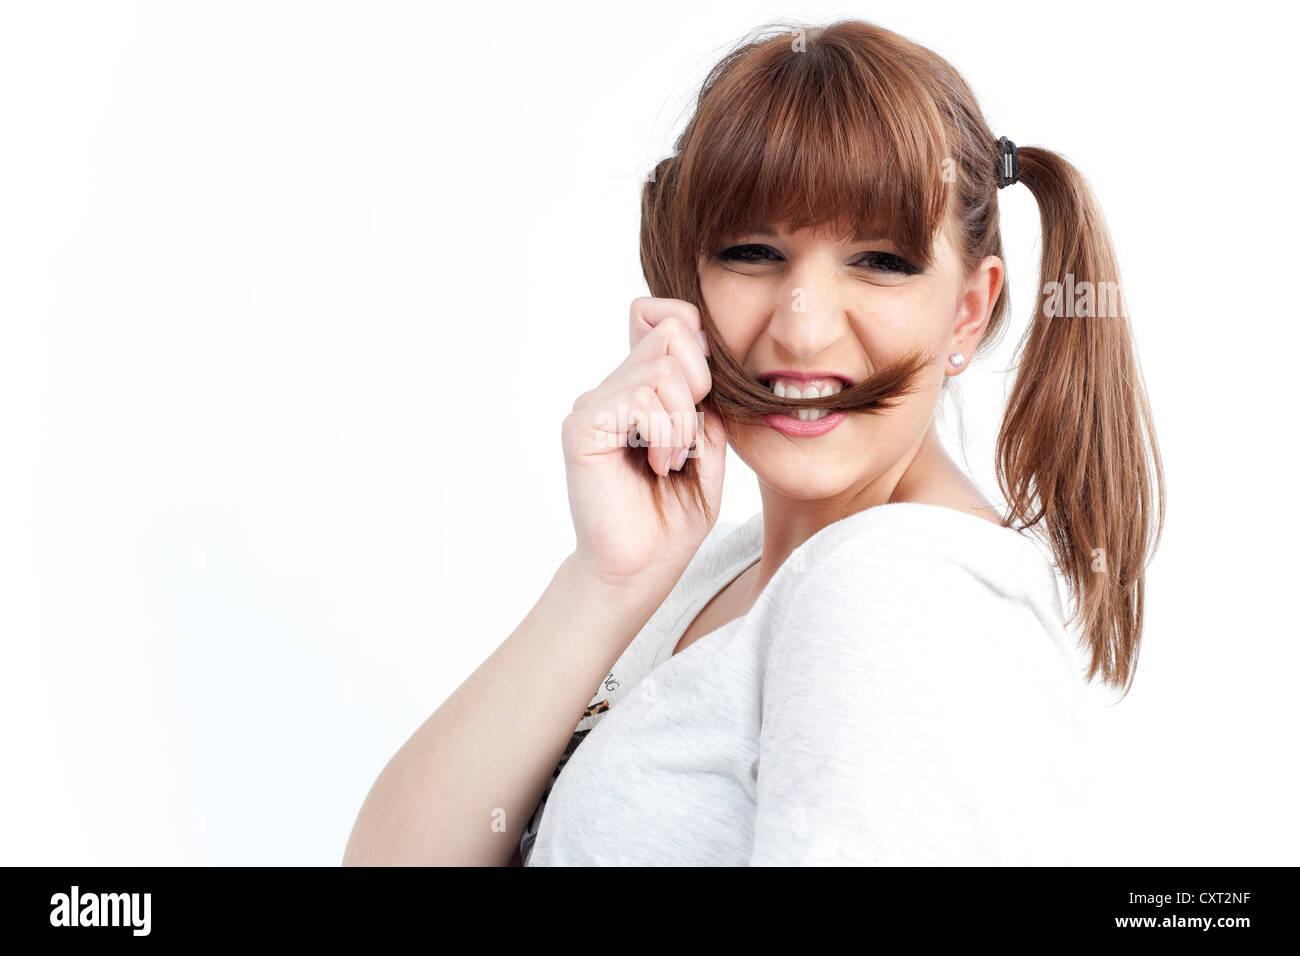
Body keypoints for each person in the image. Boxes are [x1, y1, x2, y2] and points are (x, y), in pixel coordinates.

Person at [342, 17, 1164, 867]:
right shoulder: (728, 568)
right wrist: (606, 580)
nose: (803, 332)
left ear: (969, 308)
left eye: (879, 260)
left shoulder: (893, 594)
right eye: (752, 252)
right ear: (689, 280)